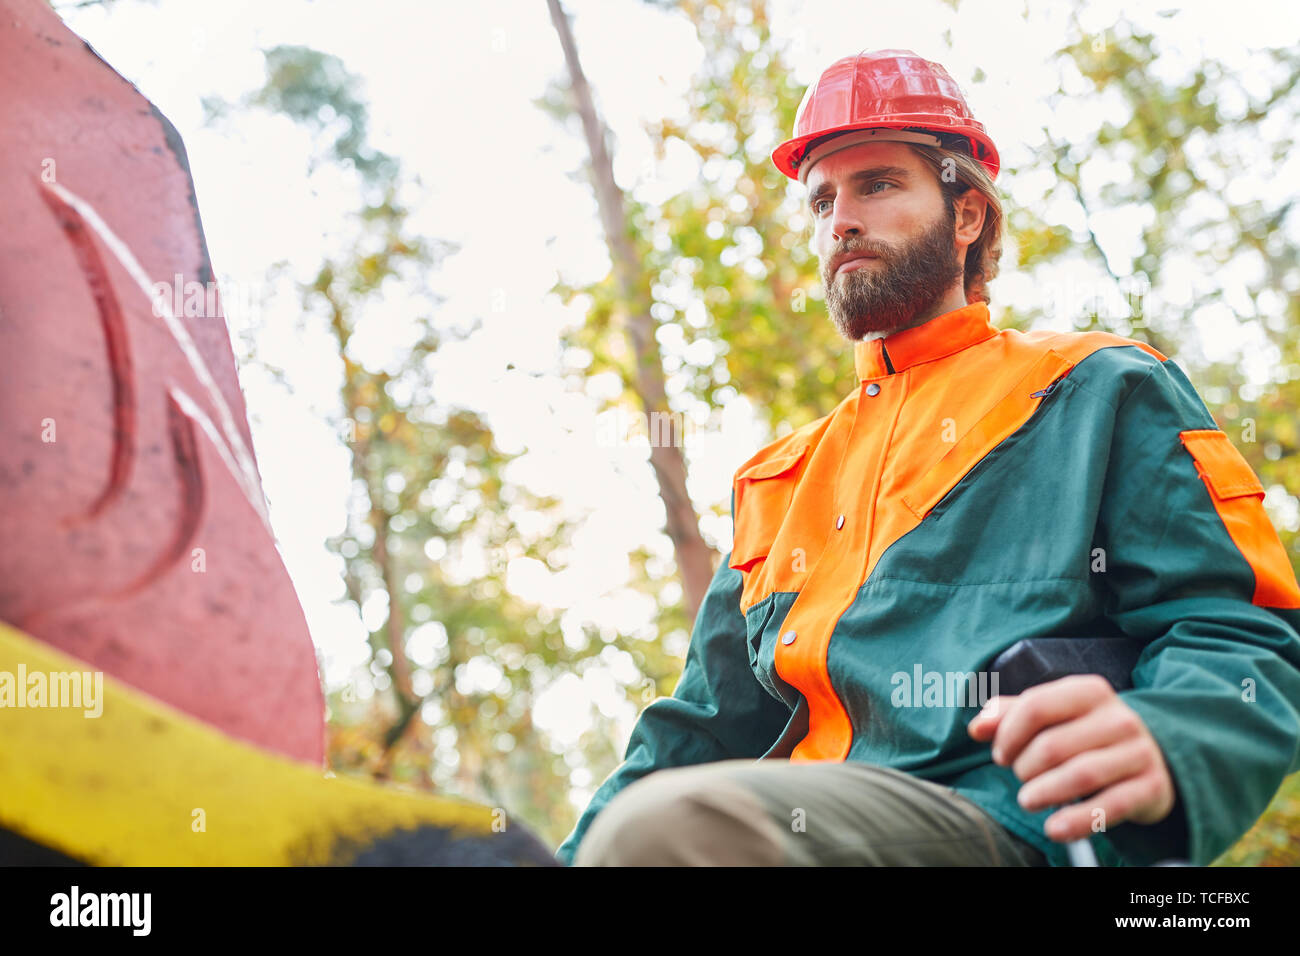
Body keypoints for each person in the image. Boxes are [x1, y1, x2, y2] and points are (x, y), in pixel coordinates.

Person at [555, 49, 1300, 867]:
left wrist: (1171, 735)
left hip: (1012, 827)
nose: (840, 219)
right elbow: (698, 729)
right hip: (798, 831)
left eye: (876, 184)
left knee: (668, 832)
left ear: (969, 213)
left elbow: (1241, 634)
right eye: (822, 199)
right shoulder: (780, 481)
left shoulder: (1102, 387)